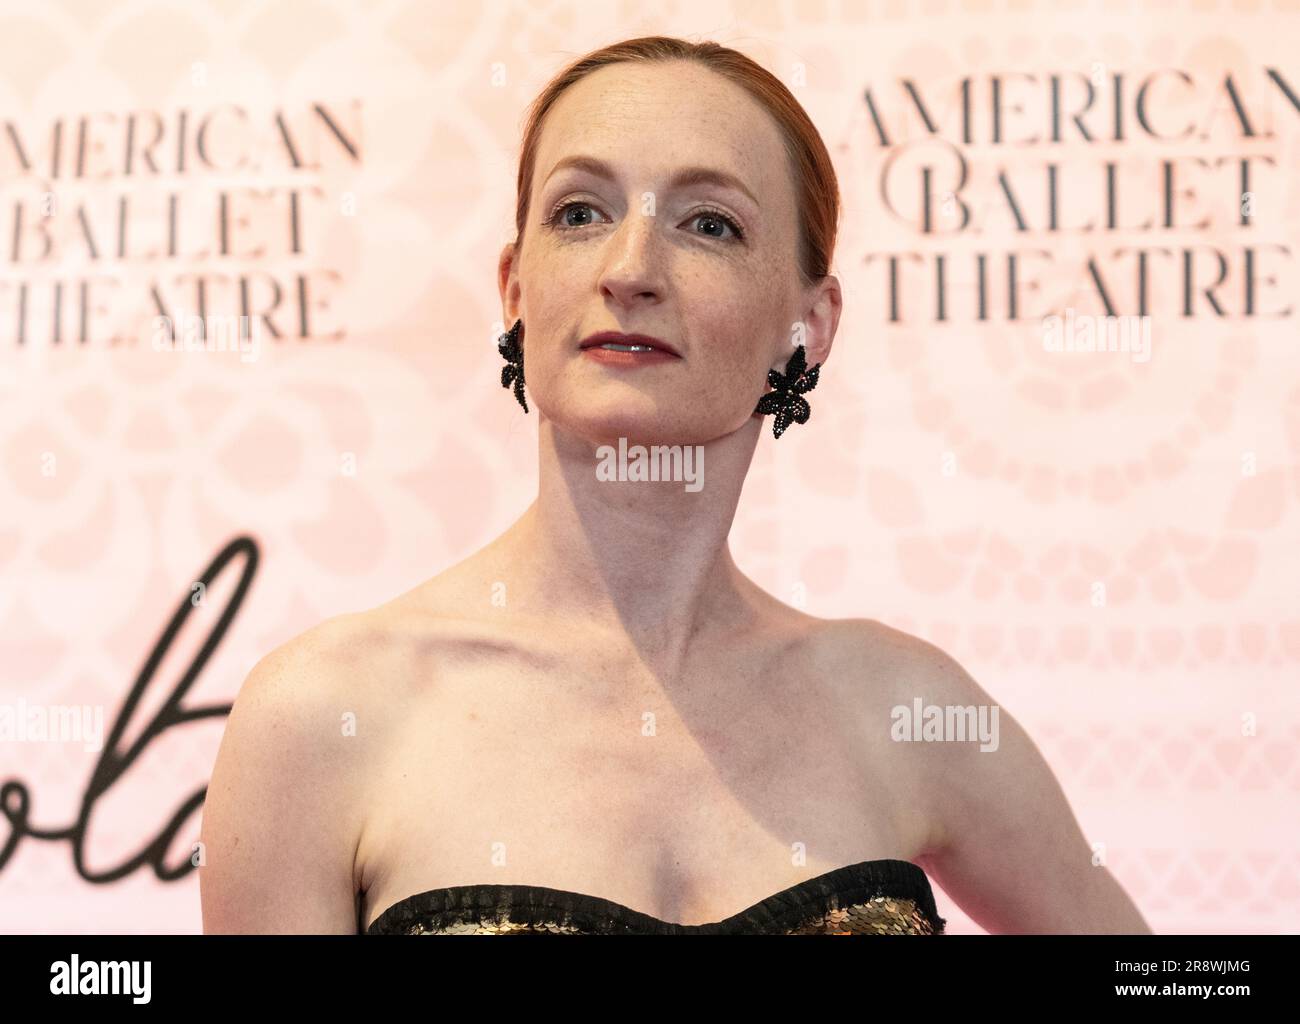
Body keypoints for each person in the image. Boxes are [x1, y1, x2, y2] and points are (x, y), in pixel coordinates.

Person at [199, 35, 1151, 935]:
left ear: (809, 324)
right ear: (516, 291)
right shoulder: (323, 714)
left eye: (708, 224)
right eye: (580, 213)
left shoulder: (902, 706)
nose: (630, 269)